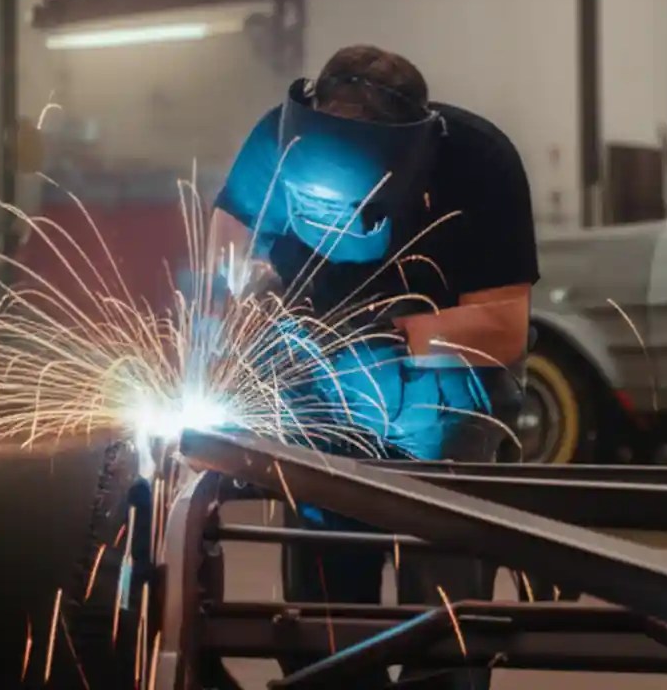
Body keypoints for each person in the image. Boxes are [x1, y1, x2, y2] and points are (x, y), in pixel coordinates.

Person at [213, 45, 539, 689]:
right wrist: (245, 293)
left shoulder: (479, 163)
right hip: (313, 382)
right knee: (323, 617)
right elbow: (227, 234)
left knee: (442, 620)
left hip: (445, 384)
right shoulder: (275, 140)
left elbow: (503, 330)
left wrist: (376, 336)